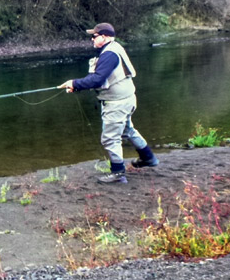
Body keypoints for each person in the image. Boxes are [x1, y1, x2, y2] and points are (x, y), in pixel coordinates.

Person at [58, 23, 158, 184]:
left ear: (104, 37)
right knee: (127, 130)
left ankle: (118, 173)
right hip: (127, 99)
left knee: (110, 138)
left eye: (94, 36)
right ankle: (148, 158)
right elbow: (98, 78)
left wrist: (74, 83)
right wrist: (76, 86)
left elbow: (98, 79)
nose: (92, 39)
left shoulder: (109, 55)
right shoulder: (114, 48)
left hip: (117, 103)